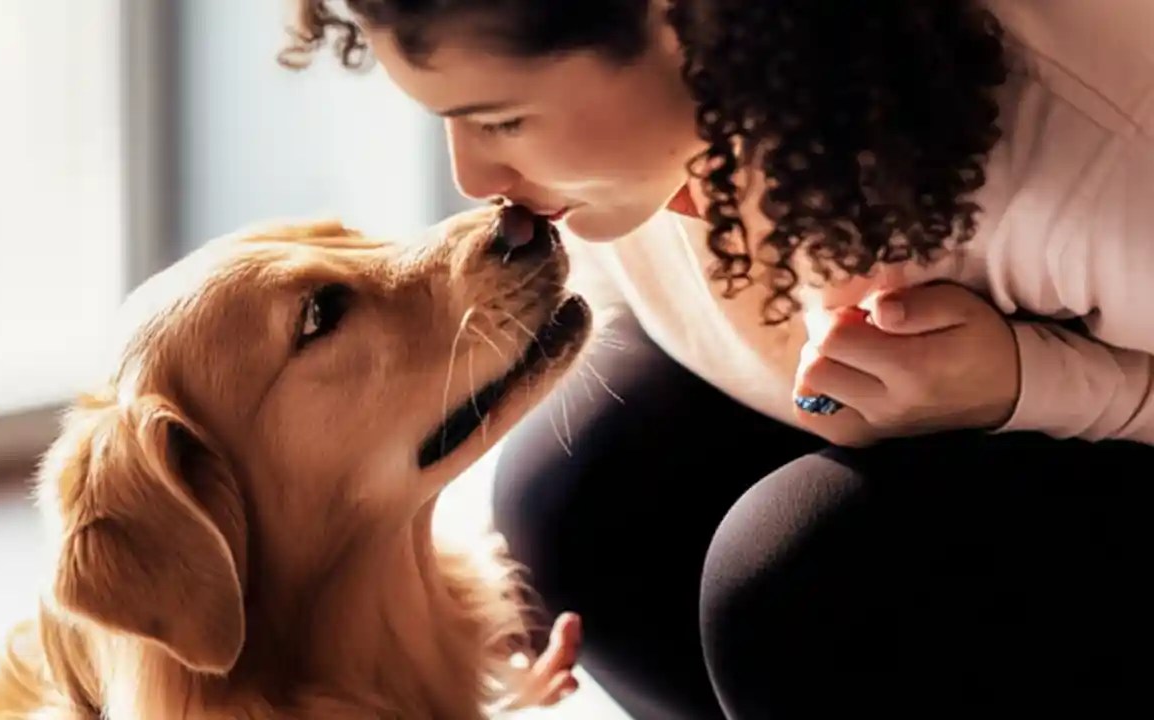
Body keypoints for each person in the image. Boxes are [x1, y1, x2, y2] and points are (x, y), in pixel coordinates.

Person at [279, 2, 1154, 717]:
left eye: (501, 119)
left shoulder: (1087, 165)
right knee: (573, 498)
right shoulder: (634, 143)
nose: (472, 177)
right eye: (447, 117)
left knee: (801, 583)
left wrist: (1032, 383)